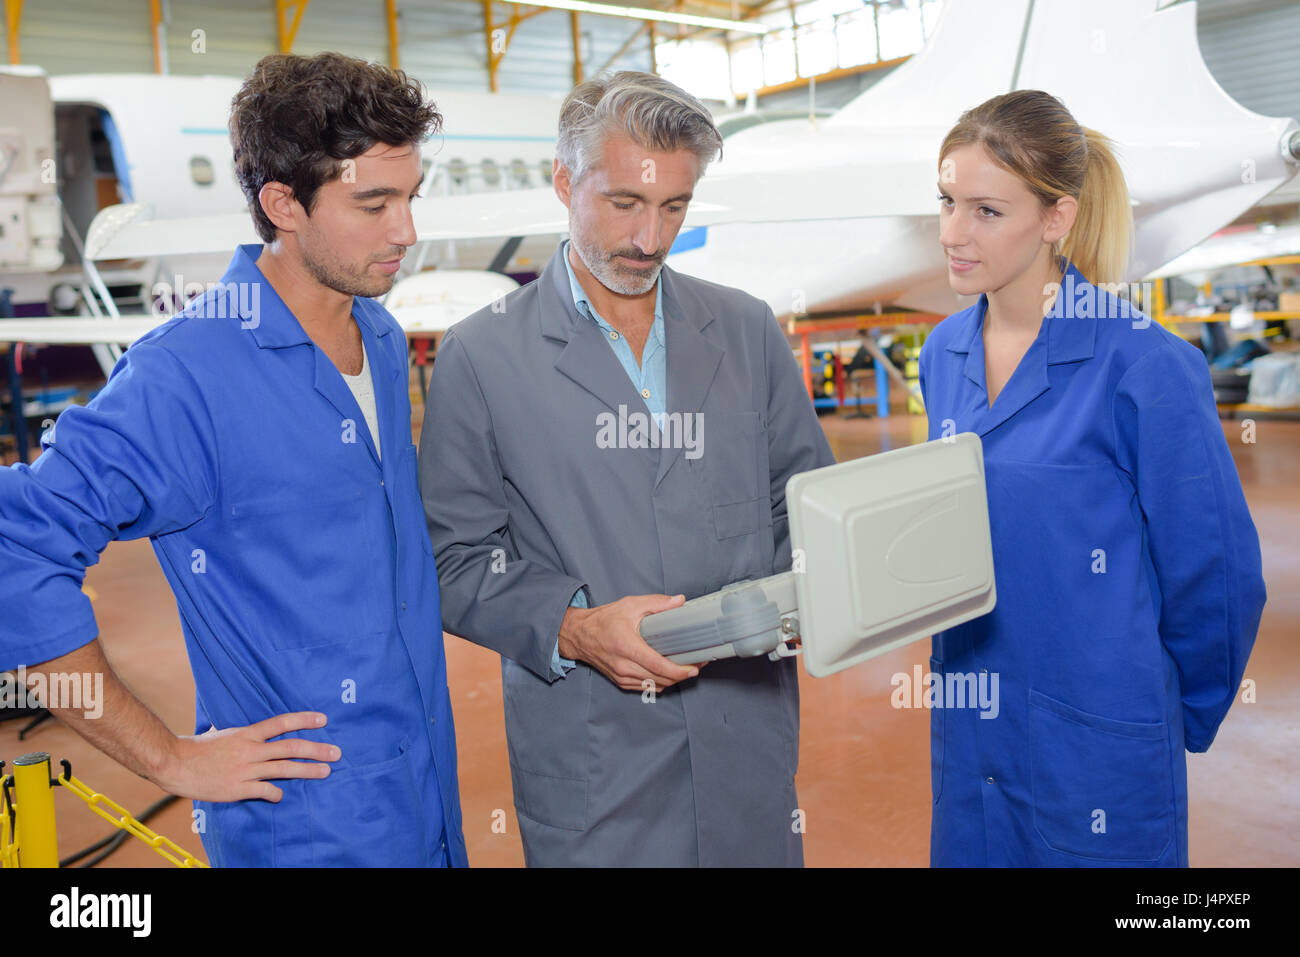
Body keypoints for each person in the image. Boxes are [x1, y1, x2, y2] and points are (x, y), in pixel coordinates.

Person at [0, 52, 467, 867]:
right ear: (282, 204)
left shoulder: (382, 340)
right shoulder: (186, 375)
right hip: (307, 829)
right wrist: (170, 758)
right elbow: (16, 550)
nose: (407, 232)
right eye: (374, 203)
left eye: (411, 197)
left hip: (426, 801)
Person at [420, 70, 835, 866]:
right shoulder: (482, 356)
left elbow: (805, 514)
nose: (650, 238)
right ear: (565, 180)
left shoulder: (746, 331)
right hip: (595, 761)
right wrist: (573, 627)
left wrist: (824, 589)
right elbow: (455, 558)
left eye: (674, 207)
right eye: (624, 204)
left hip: (744, 745)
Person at [918, 89, 1266, 866]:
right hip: (972, 723)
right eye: (946, 202)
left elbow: (1219, 576)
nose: (951, 233)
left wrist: (1161, 715)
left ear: (1056, 218)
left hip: (1102, 748)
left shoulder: (1146, 366)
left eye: (985, 211)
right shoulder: (942, 354)